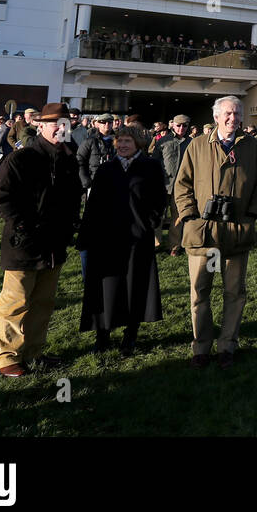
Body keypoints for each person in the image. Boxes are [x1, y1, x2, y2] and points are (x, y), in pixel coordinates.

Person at [0, 103, 85, 377]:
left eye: (65, 123)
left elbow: (72, 197)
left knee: (43, 302)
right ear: (40, 126)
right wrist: (21, 225)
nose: (60, 128)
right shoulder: (22, 158)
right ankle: (7, 358)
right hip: (24, 244)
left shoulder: (68, 159)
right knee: (15, 302)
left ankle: (33, 352)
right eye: (55, 123)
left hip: (55, 244)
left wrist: (73, 224)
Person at [173, 95, 257, 368]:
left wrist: (251, 215)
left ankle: (227, 345)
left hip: (236, 233)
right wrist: (191, 216)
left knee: (234, 292)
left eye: (237, 114)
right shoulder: (198, 145)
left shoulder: (251, 146)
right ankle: (201, 347)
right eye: (227, 113)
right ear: (216, 117)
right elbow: (182, 185)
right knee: (200, 292)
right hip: (203, 234)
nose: (232, 118)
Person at [77, 126, 164, 355]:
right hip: (106, 239)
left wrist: (149, 223)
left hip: (137, 239)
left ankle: (130, 334)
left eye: (127, 141)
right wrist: (86, 236)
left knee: (135, 286)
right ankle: (103, 334)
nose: (123, 145)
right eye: (120, 141)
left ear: (138, 144)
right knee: (106, 288)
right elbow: (93, 204)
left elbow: (159, 200)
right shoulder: (106, 169)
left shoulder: (151, 167)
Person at [158, 114, 192, 256]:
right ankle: (156, 244)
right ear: (173, 125)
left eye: (185, 125)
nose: (181, 128)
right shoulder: (163, 141)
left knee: (177, 217)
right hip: (162, 184)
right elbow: (154, 161)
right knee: (158, 216)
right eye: (178, 125)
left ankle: (174, 246)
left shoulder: (192, 143)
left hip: (182, 186)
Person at [77, 113, 116, 190]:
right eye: (103, 122)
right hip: (94, 182)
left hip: (113, 184)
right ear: (98, 124)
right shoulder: (90, 140)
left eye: (109, 122)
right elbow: (80, 159)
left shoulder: (118, 141)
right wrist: (86, 181)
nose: (107, 124)